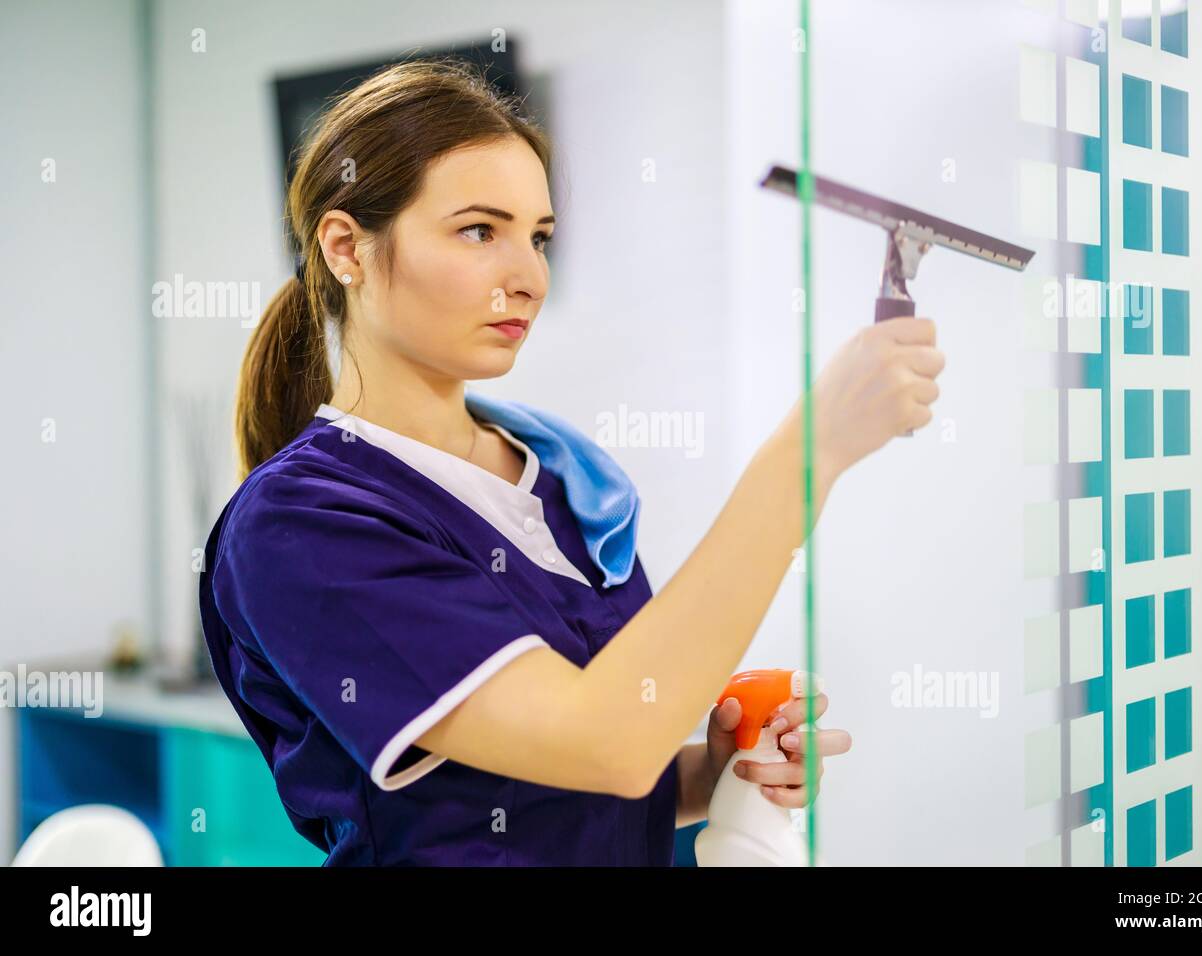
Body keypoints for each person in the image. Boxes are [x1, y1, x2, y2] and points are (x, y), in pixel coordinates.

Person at [198, 58, 944, 866]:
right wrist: (810, 454)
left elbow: (579, 780)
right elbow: (607, 743)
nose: (527, 277)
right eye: (480, 231)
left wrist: (709, 772)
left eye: (538, 237)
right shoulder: (304, 522)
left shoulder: (559, 478)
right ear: (346, 247)